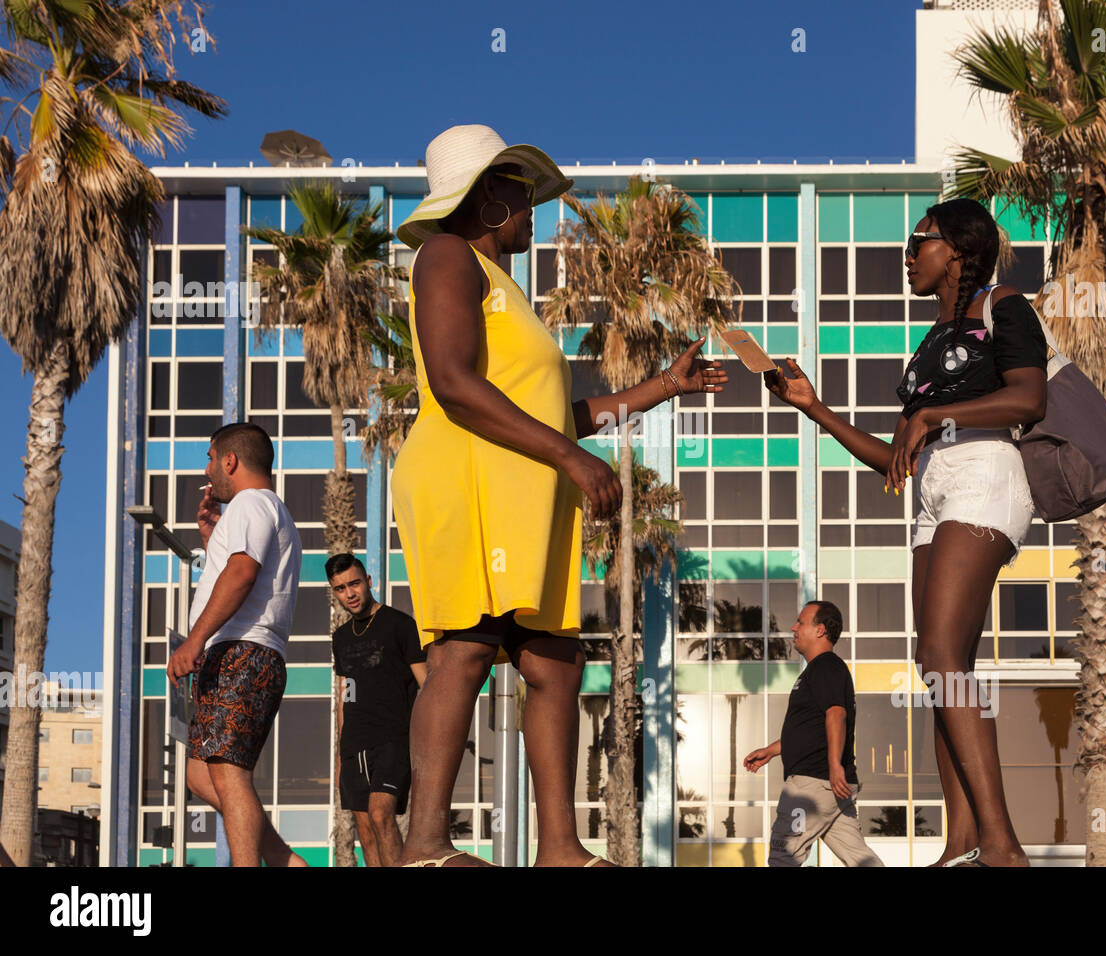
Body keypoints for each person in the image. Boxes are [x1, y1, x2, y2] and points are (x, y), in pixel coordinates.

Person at [390, 124, 727, 867]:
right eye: (519, 189)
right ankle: (423, 847)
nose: (532, 205)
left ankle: (559, 850)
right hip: (465, 477)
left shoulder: (506, 286)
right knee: (467, 648)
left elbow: (557, 417)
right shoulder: (445, 257)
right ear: (483, 199)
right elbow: (451, 381)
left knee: (553, 663)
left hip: (524, 487)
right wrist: (572, 459)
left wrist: (664, 386)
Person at [765, 198, 1046, 867]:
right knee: (940, 669)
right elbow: (891, 457)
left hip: (984, 473)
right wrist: (814, 408)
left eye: (918, 243)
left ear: (956, 248)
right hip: (929, 495)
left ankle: (1003, 846)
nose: (908, 257)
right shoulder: (928, 348)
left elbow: (1029, 398)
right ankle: (963, 842)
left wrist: (936, 418)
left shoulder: (1001, 305)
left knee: (945, 658)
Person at [167, 422, 306, 867]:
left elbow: (242, 573)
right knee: (201, 776)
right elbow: (236, 567)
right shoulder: (260, 510)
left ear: (230, 460)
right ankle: (284, 861)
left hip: (241, 653)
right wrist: (212, 540)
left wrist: (195, 639)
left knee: (228, 774)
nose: (208, 471)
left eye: (210, 458)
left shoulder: (251, 503)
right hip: (240, 655)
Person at [744, 601, 883, 867]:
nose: (793, 627)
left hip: (814, 783)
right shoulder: (819, 670)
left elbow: (836, 715)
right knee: (860, 859)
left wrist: (833, 766)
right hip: (829, 785)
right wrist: (771, 751)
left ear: (820, 630)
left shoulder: (826, 666)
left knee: (784, 855)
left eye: (800, 622)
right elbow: (812, 729)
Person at [326, 552, 427, 867]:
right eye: (341, 588)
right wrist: (342, 754)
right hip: (355, 744)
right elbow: (346, 693)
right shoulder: (341, 638)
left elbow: (426, 685)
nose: (350, 594)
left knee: (382, 815)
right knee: (366, 832)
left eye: (354, 584)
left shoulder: (399, 624)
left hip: (394, 738)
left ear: (368, 582)